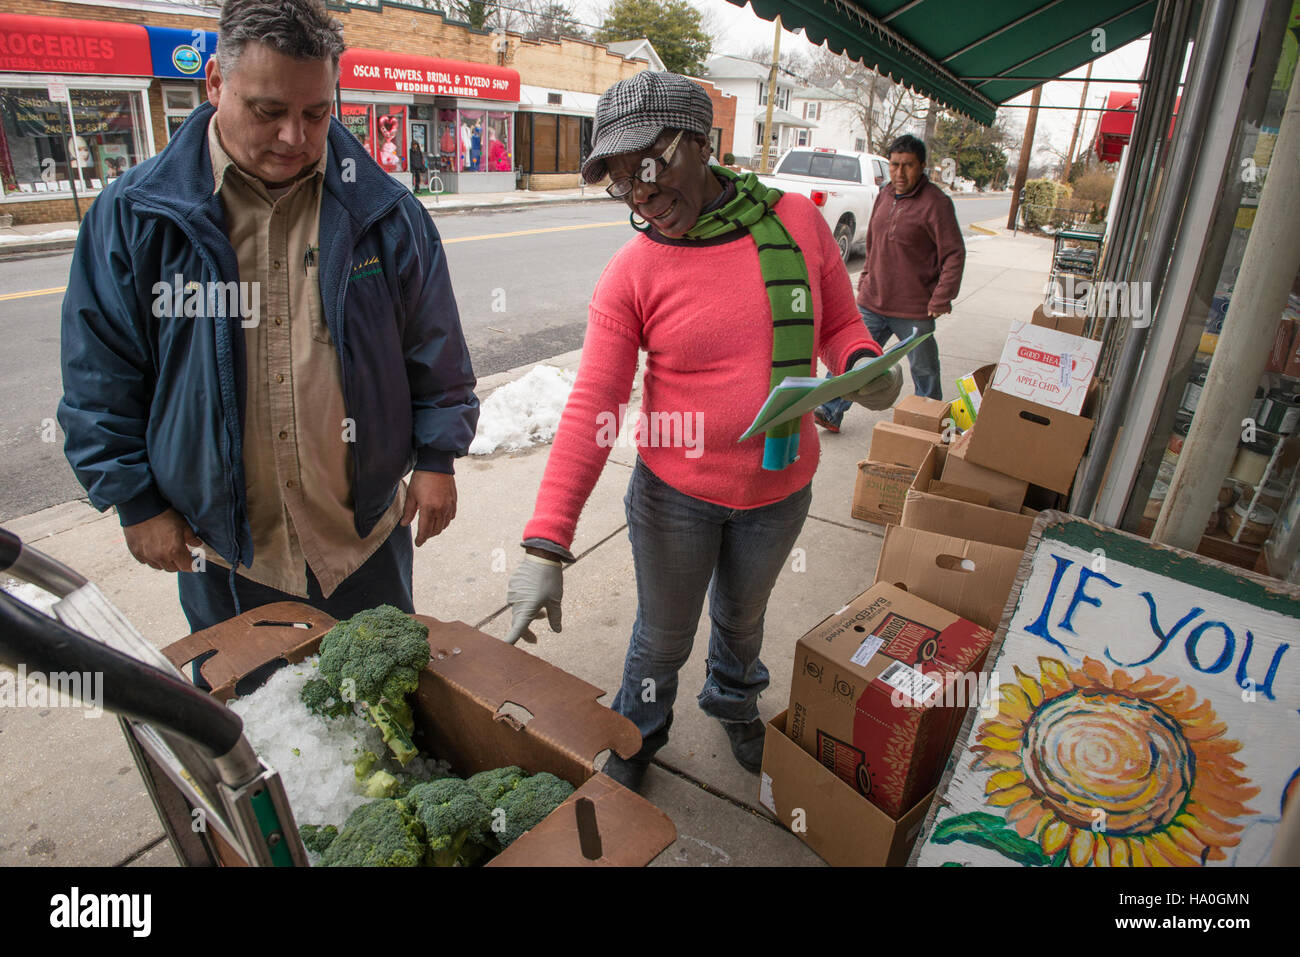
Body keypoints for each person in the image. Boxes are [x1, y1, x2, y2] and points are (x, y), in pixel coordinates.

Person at [501, 72, 900, 793]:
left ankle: (733, 698)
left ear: (701, 145)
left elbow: (839, 321)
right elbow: (594, 403)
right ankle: (639, 731)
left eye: (648, 169)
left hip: (779, 490)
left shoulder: (798, 222)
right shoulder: (633, 270)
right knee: (661, 638)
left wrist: (866, 363)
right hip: (673, 497)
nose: (642, 197)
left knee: (743, 622)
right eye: (622, 185)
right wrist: (545, 541)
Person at [57, 0, 478, 677]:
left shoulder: (386, 212)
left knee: (386, 719)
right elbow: (99, 373)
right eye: (268, 110)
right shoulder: (135, 215)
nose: (294, 136)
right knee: (257, 736)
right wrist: (136, 502)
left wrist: (437, 458)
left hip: (361, 541)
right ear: (215, 86)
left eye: (317, 113)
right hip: (224, 548)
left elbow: (436, 351)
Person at [815, 134, 965, 431]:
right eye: (895, 165)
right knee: (852, 362)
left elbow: (954, 254)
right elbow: (874, 239)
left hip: (915, 308)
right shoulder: (884, 194)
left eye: (908, 166)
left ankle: (929, 422)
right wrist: (867, 276)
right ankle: (830, 409)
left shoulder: (937, 203)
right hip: (874, 302)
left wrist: (941, 297)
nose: (899, 173)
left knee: (924, 370)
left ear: (922, 166)